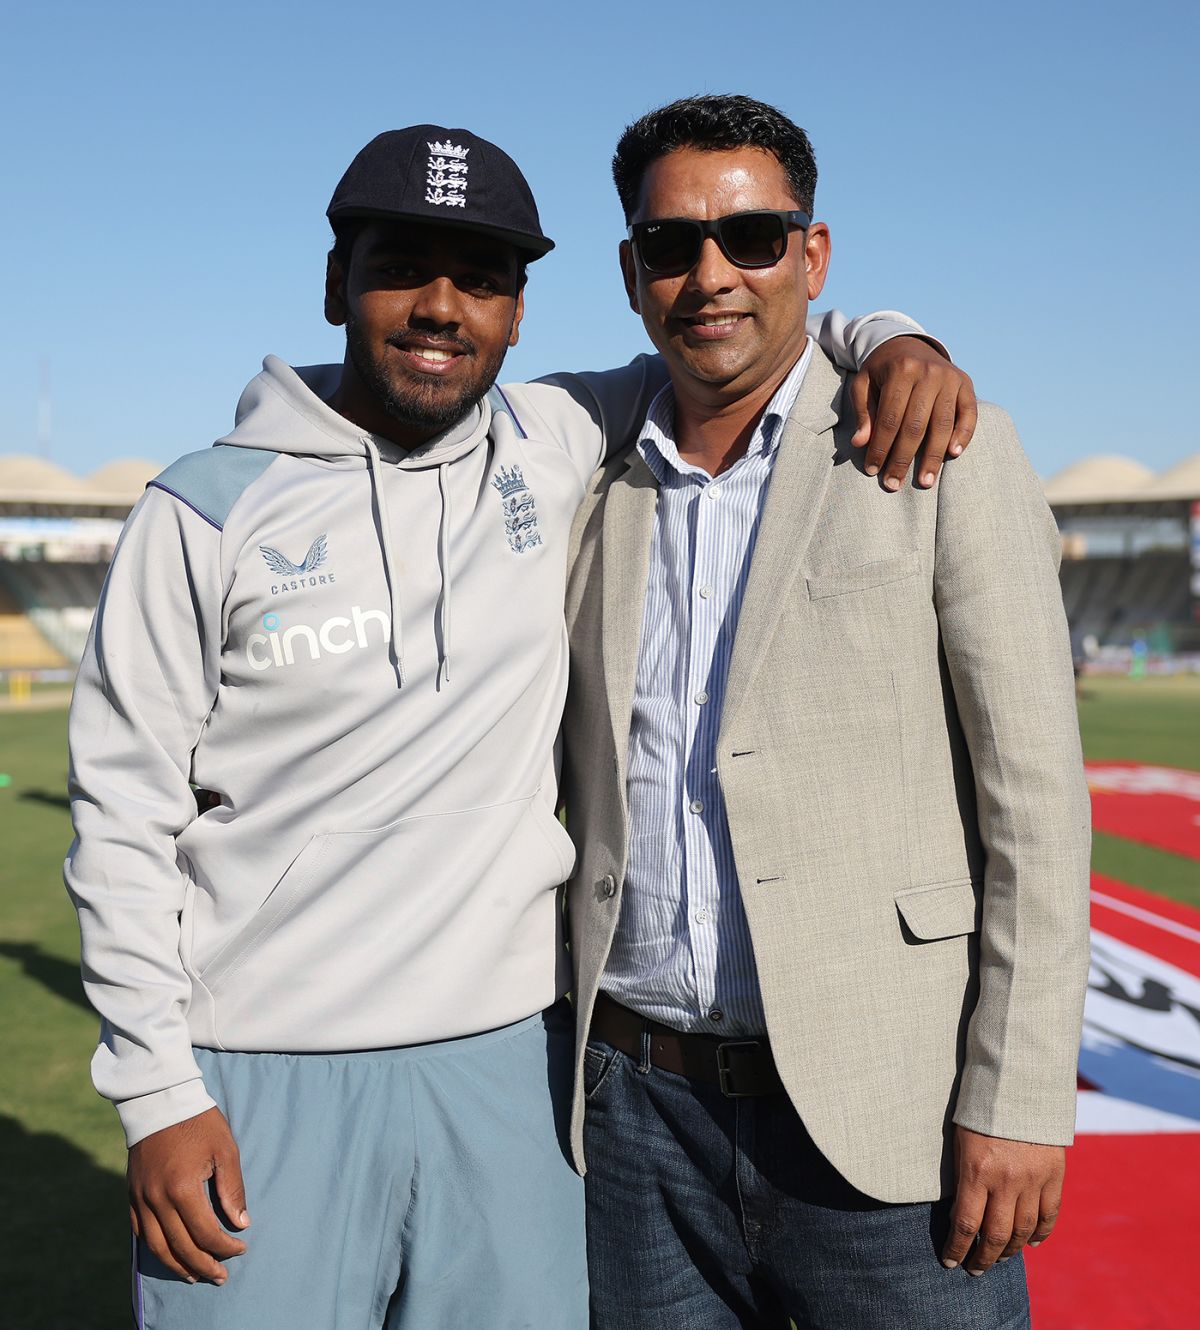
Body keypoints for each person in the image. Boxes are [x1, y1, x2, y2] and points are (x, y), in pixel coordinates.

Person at [65, 122, 973, 1329]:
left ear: (521, 310)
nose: (442, 307)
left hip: (515, 1072)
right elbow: (120, 820)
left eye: (482, 278)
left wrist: (892, 333)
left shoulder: (551, 439)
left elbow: (736, 334)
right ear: (336, 282)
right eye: (403, 266)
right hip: (259, 1073)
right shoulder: (202, 511)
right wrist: (156, 1093)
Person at [561, 94, 1092, 1330]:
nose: (711, 275)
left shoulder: (944, 445)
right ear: (629, 269)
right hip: (634, 1116)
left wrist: (1016, 1099)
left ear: (815, 255)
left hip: (882, 1111)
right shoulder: (583, 463)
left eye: (753, 237)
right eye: (671, 245)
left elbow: (1037, 805)